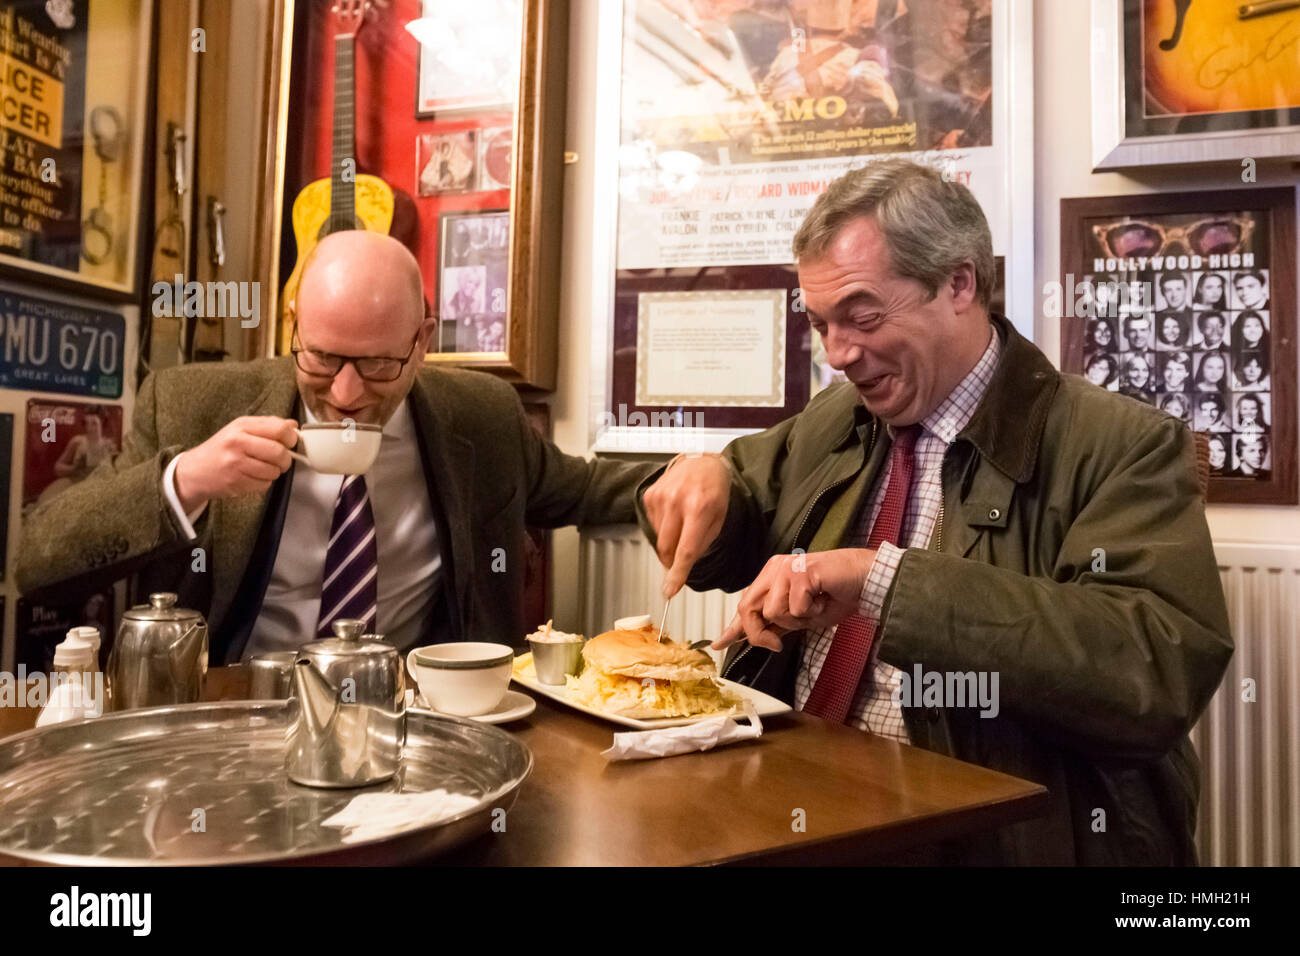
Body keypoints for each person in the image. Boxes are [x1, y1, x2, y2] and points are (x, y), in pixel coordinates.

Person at [637, 159, 1232, 866]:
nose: (838, 355)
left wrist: (883, 581)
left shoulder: (1123, 443)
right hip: (798, 802)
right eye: (820, 324)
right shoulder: (837, 417)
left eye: (861, 317)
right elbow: (727, 524)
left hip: (990, 833)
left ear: (959, 283)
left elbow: (1155, 671)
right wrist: (699, 476)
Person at [17, 231, 655, 661]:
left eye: (378, 365)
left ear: (422, 340)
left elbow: (587, 489)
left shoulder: (481, 416)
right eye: (320, 358)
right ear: (295, 325)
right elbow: (38, 564)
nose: (346, 393)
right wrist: (185, 481)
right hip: (239, 714)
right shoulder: (190, 405)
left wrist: (712, 478)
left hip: (416, 721)